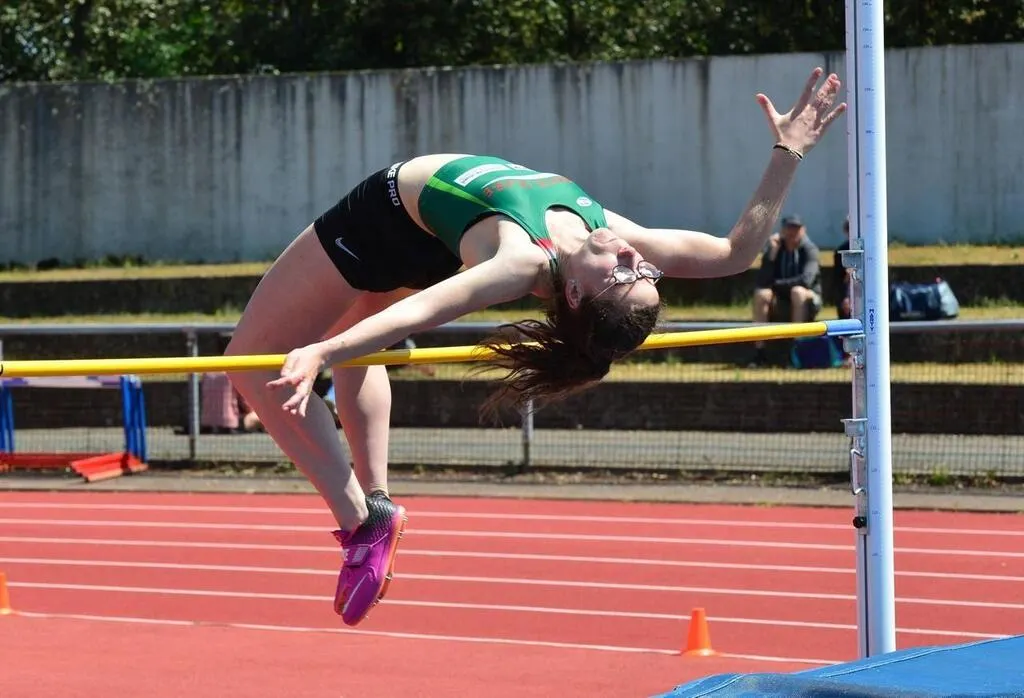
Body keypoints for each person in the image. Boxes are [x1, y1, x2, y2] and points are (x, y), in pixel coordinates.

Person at [224, 67, 846, 627]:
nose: (637, 260)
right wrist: (788, 151)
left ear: (575, 295)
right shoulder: (604, 234)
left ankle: (358, 516)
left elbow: (422, 309)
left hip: (378, 223)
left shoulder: (523, 260)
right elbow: (735, 252)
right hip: (432, 236)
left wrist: (321, 353)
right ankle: (379, 501)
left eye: (626, 277)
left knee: (249, 362)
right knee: (361, 326)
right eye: (646, 275)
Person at [747, 213, 824, 366]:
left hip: (809, 299)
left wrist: (777, 284)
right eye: (789, 228)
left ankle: (795, 352)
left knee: (798, 292)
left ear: (803, 230)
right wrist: (771, 255)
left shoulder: (810, 250)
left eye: (796, 228)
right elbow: (762, 281)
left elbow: (806, 280)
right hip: (782, 298)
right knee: (761, 294)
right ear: (782, 230)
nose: (792, 232)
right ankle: (760, 353)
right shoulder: (776, 248)